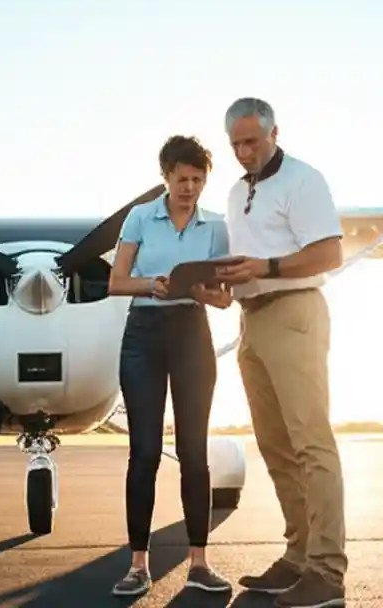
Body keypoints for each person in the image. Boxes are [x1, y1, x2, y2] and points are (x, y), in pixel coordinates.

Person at [215, 97, 349, 608]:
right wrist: (224, 285)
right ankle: (298, 557)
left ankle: (327, 573)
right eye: (236, 145)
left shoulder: (303, 180)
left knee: (312, 444)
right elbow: (244, 261)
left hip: (294, 313)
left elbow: (329, 253)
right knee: (274, 446)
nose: (244, 151)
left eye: (252, 141)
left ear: (274, 133)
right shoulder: (234, 191)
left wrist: (264, 269)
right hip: (250, 320)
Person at [106, 134, 235, 597]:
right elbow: (116, 282)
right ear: (165, 175)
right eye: (182, 178)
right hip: (143, 332)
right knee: (143, 453)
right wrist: (152, 285)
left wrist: (202, 292)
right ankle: (137, 565)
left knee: (194, 453)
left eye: (198, 179)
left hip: (191, 332)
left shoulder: (217, 228)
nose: (189, 188)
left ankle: (199, 563)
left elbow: (225, 299)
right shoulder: (140, 217)